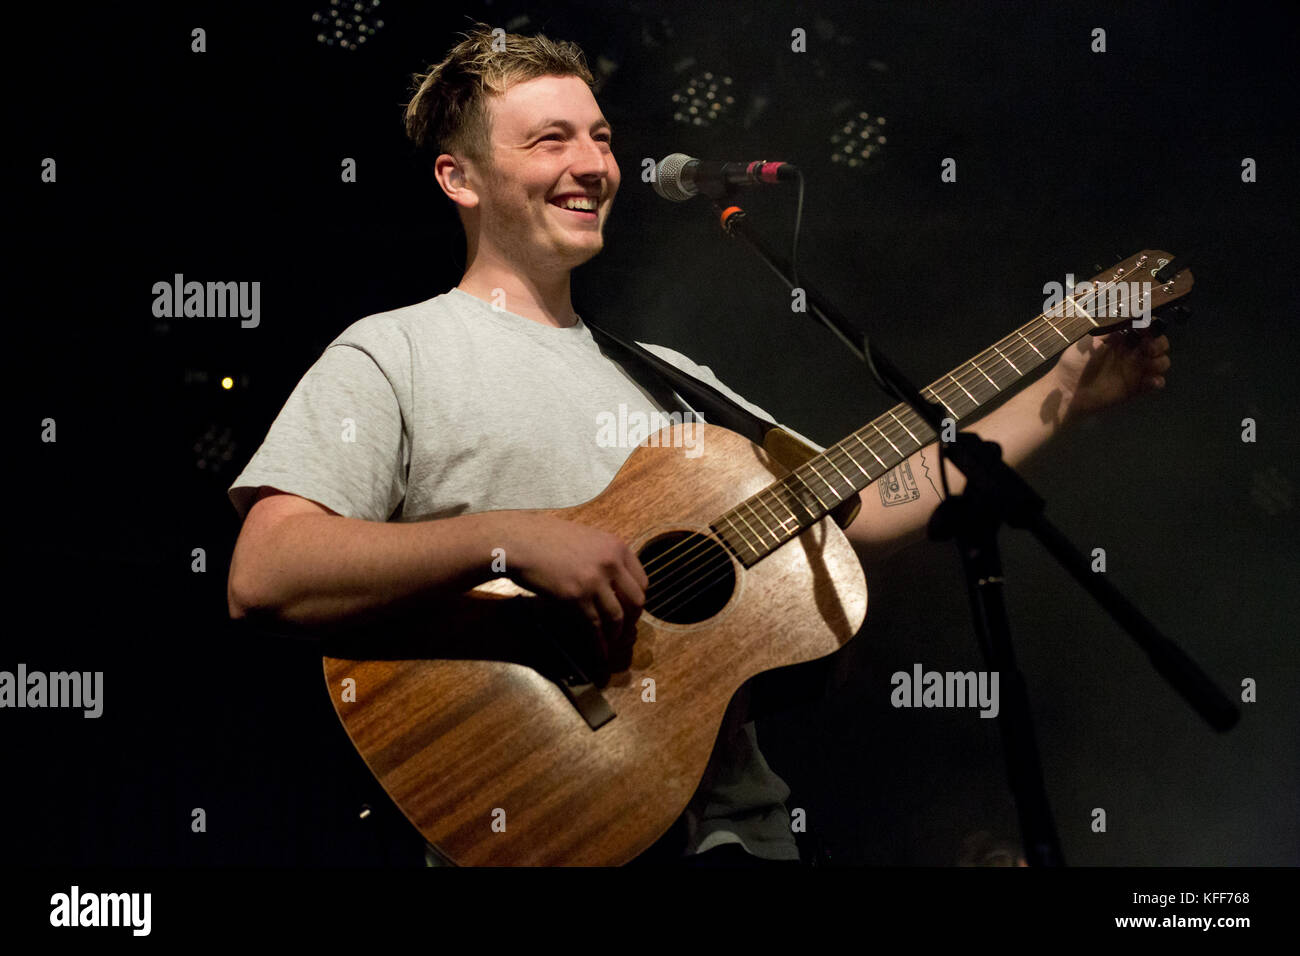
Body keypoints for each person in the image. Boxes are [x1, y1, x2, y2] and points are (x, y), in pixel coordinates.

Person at [225, 23, 1172, 867]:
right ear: (459, 177)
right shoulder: (396, 350)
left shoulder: (671, 375)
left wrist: (1062, 387)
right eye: (550, 138)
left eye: (599, 136)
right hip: (542, 811)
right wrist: (511, 539)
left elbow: (865, 502)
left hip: (739, 833)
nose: (593, 162)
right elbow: (267, 571)